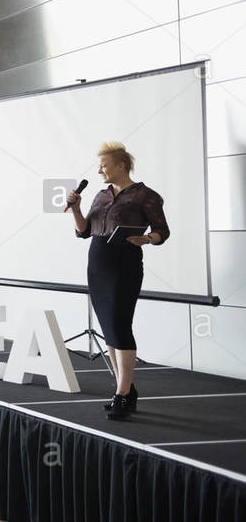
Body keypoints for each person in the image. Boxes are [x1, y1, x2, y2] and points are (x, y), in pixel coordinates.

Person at [67, 140, 172, 420]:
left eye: (103, 165)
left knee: (120, 325)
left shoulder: (145, 195)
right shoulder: (101, 196)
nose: (99, 170)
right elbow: (85, 231)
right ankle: (124, 389)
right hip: (98, 263)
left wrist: (147, 238)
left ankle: (123, 394)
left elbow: (163, 231)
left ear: (121, 165)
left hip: (124, 264)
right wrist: (76, 208)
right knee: (109, 328)